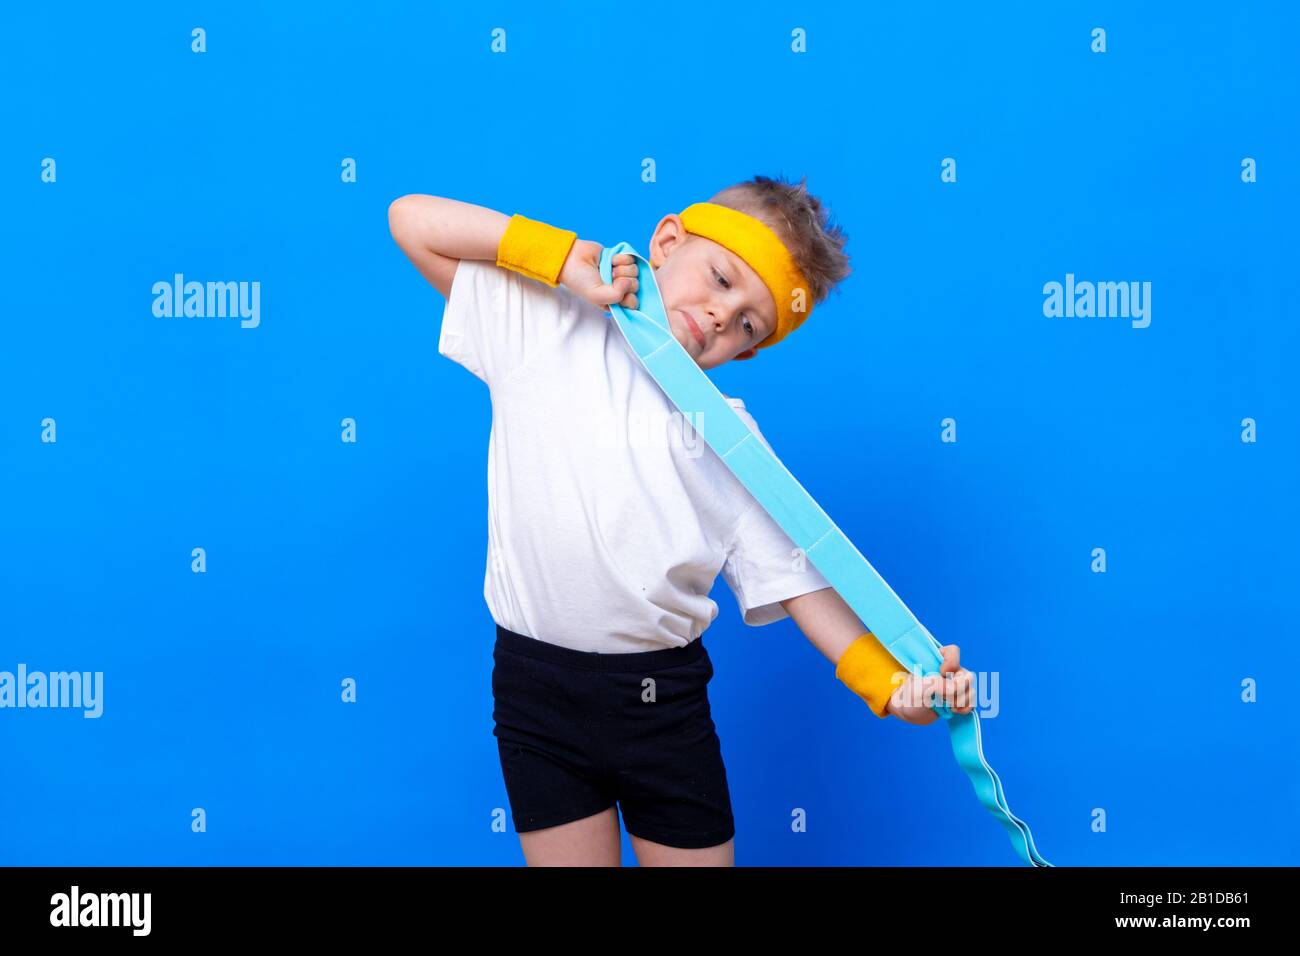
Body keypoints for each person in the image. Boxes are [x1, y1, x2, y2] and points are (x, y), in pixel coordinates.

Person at [388, 175, 975, 867]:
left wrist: (896, 688)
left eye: (749, 323)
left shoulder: (730, 438)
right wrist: (563, 256)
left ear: (748, 353)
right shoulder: (544, 326)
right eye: (722, 278)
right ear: (665, 242)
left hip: (661, 708)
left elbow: (804, 589)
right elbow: (412, 220)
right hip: (533, 694)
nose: (725, 316)